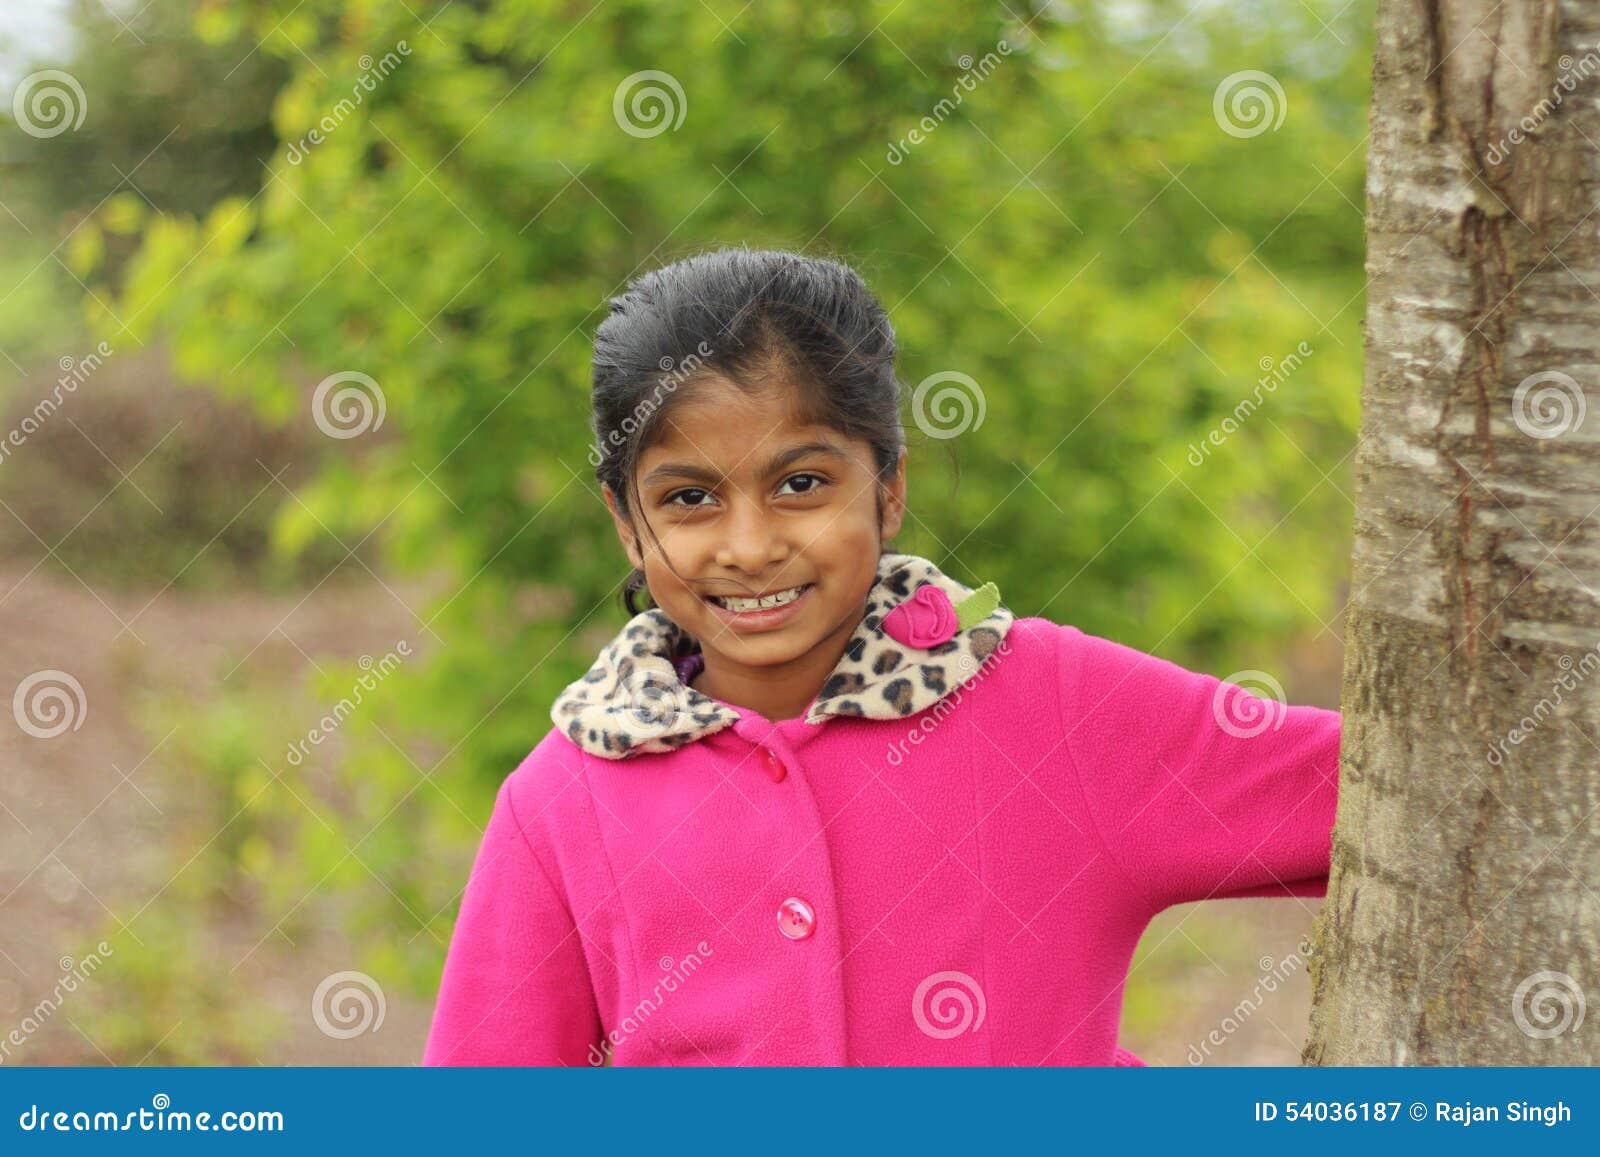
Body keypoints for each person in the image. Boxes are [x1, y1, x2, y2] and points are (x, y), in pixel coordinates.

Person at [421, 248, 1340, 1067]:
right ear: (627, 524)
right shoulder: (562, 803)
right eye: (690, 498)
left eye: (801, 483)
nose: (750, 547)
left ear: (890, 487)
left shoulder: (1059, 708)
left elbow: (1376, 786)